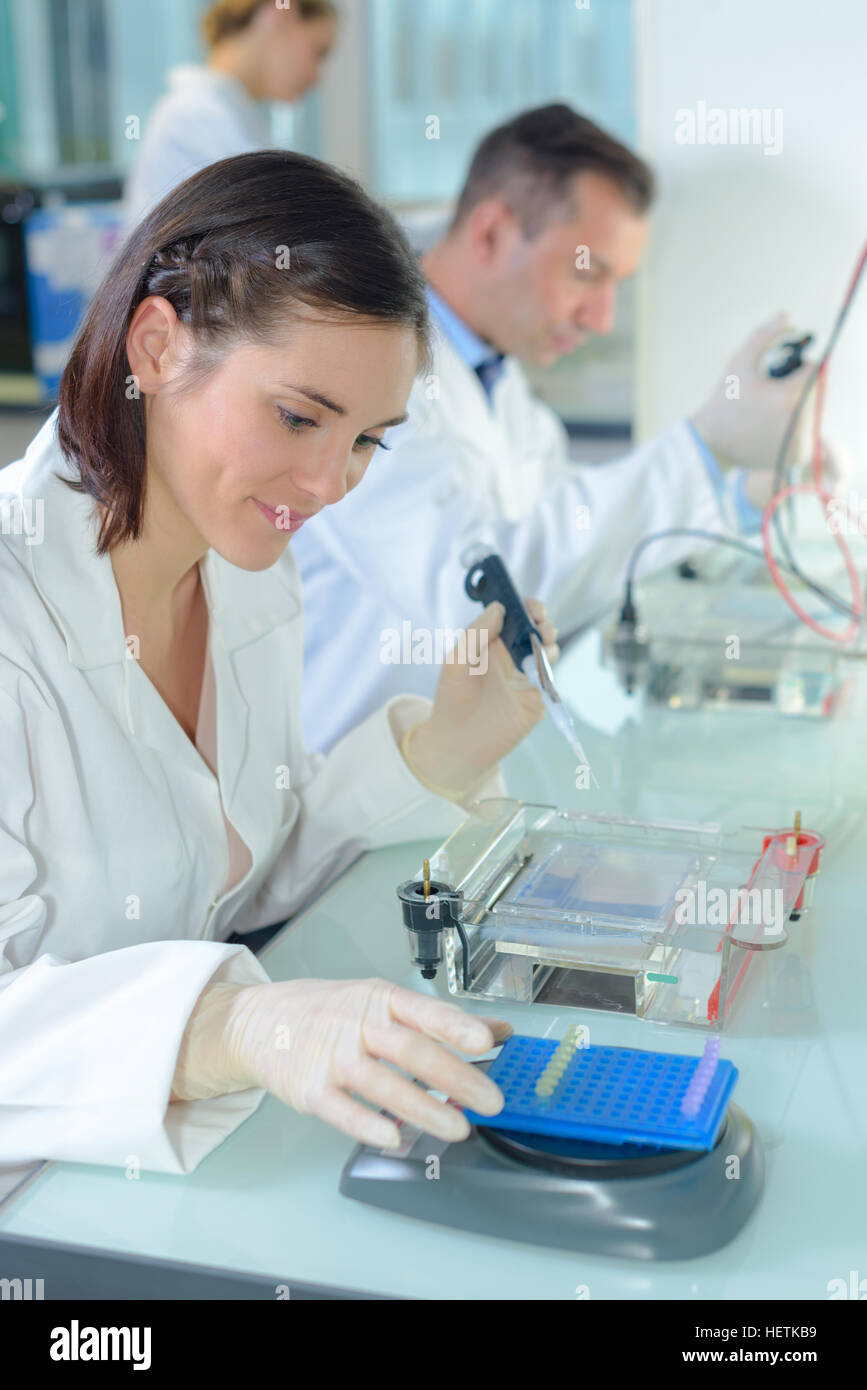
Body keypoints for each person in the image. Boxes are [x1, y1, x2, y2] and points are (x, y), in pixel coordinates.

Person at [0, 151, 565, 1174]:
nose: (328, 482)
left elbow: (230, 882)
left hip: (141, 1190)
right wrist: (231, 1028)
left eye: (368, 443)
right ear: (160, 345)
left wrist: (435, 756)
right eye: (300, 416)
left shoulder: (250, 573)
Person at [293, 104, 820, 752]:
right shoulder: (370, 374)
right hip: (349, 783)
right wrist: (704, 447)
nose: (599, 317)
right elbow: (471, 605)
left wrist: (738, 495)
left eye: (614, 285)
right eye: (586, 272)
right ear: (489, 233)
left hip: (439, 777)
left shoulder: (498, 384)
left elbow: (562, 529)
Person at [125, 0, 337, 223]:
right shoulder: (198, 112)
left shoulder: (226, 111)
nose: (317, 77)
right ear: (281, 13)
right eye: (319, 53)